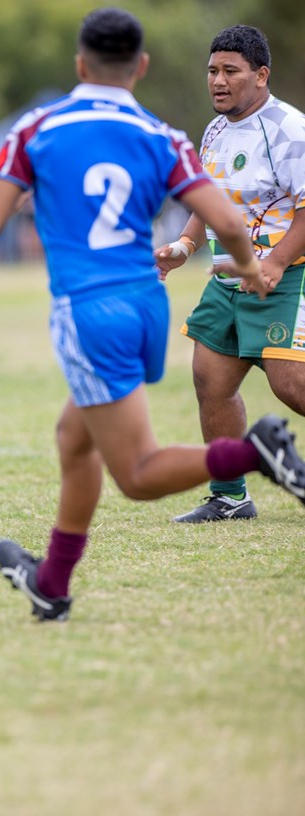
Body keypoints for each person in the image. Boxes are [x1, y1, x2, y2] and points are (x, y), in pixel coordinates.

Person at [0, 8, 305, 622]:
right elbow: (225, 221)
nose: (217, 80)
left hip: (91, 311)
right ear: (141, 66)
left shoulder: (40, 125)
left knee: (138, 472)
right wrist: (239, 264)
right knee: (76, 439)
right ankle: (53, 582)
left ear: (78, 63)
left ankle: (254, 453)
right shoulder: (165, 134)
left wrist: (29, 182)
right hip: (146, 304)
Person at [154, 25, 305, 523]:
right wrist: (184, 245)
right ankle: (231, 496)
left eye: (230, 71)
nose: (217, 81)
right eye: (212, 71)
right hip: (226, 280)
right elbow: (209, 200)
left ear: (261, 75)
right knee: (209, 379)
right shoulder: (216, 129)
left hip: (287, 278)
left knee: (292, 386)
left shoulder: (290, 130)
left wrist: (276, 263)